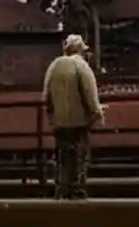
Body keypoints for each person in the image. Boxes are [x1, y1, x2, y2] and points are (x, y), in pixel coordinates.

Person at [42, 34, 105, 200]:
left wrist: (52, 117)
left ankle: (61, 190)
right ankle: (77, 192)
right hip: (78, 123)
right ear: (80, 50)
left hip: (60, 123)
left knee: (62, 158)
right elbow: (90, 94)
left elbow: (46, 97)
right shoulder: (81, 66)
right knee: (79, 159)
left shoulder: (54, 66)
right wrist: (97, 114)